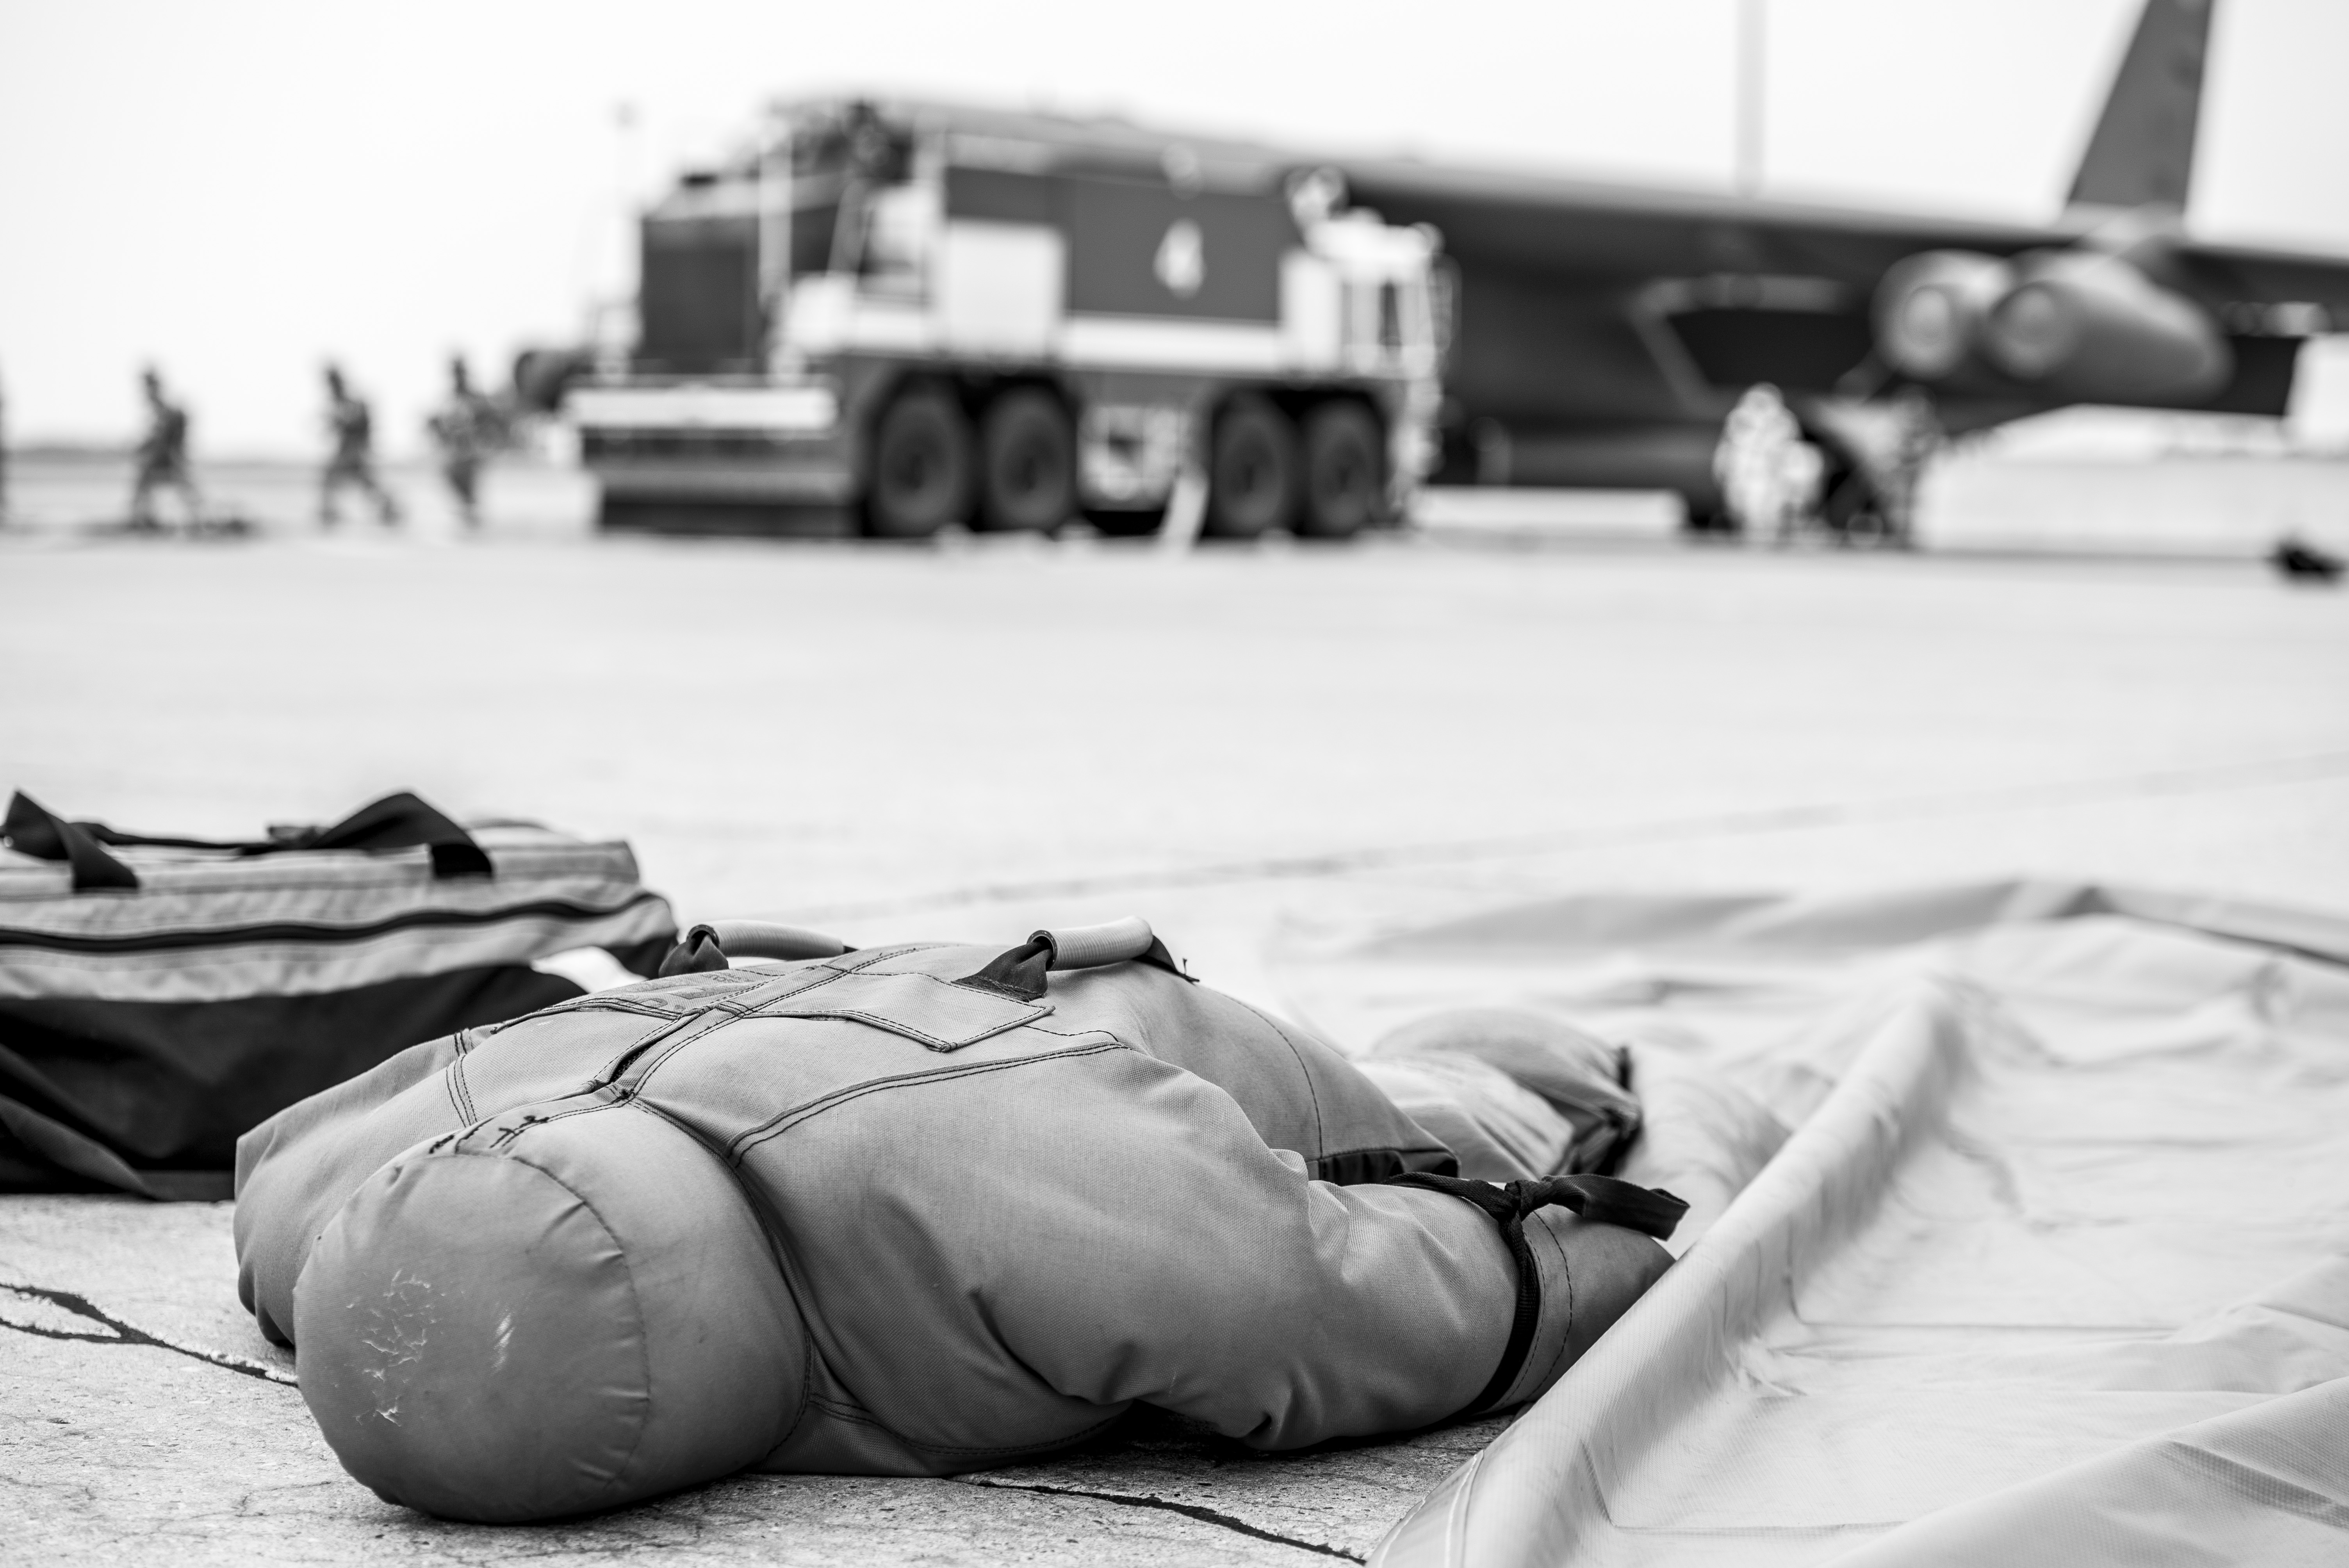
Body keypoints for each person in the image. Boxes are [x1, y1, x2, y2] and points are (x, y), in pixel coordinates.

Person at [235, 918, 1682, 1524]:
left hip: (1137, 1044)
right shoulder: (346, 1203)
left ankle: (1569, 1043)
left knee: (1487, 1105)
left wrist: (1613, 1249)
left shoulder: (1043, 1222)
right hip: (896, 997)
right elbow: (276, 1167)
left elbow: (1367, 1294)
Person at [426, 356, 505, 528]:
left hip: (470, 452)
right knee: (455, 481)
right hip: (455, 453)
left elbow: (492, 422)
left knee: (468, 489)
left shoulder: (475, 399)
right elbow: (439, 425)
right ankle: (470, 517)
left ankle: (472, 519)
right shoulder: (450, 399)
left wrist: (487, 443)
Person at [319, 363, 399, 526]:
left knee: (337, 480)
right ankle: (389, 509)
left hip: (353, 451)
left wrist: (338, 424)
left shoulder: (350, 403)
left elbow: (355, 425)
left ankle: (330, 514)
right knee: (363, 483)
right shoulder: (341, 402)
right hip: (349, 451)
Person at [129, 366, 204, 531]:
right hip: (169, 460)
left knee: (148, 485)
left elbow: (162, 440)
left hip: (171, 460)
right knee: (146, 486)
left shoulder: (166, 412)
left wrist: (147, 449)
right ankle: (143, 518)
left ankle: (142, 519)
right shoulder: (162, 411)